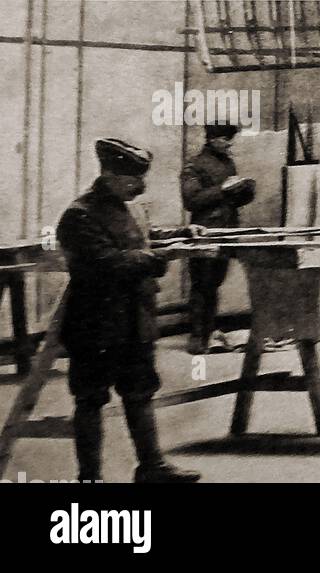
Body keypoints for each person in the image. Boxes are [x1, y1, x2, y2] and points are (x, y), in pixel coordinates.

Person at [56, 138, 204, 483]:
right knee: (91, 399)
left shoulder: (132, 207)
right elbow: (109, 262)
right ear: (109, 174)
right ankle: (89, 477)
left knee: (139, 392)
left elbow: (145, 236)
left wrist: (183, 232)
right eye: (132, 180)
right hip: (96, 326)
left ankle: (151, 467)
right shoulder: (79, 215)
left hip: (135, 321)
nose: (141, 186)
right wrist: (157, 258)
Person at [180, 123, 255, 355]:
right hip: (204, 232)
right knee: (201, 284)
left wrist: (244, 192)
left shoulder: (227, 163)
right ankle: (196, 336)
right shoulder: (193, 165)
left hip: (226, 231)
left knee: (214, 284)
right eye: (225, 139)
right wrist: (223, 189)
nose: (229, 143)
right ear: (212, 139)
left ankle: (209, 332)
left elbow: (230, 200)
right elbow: (191, 200)